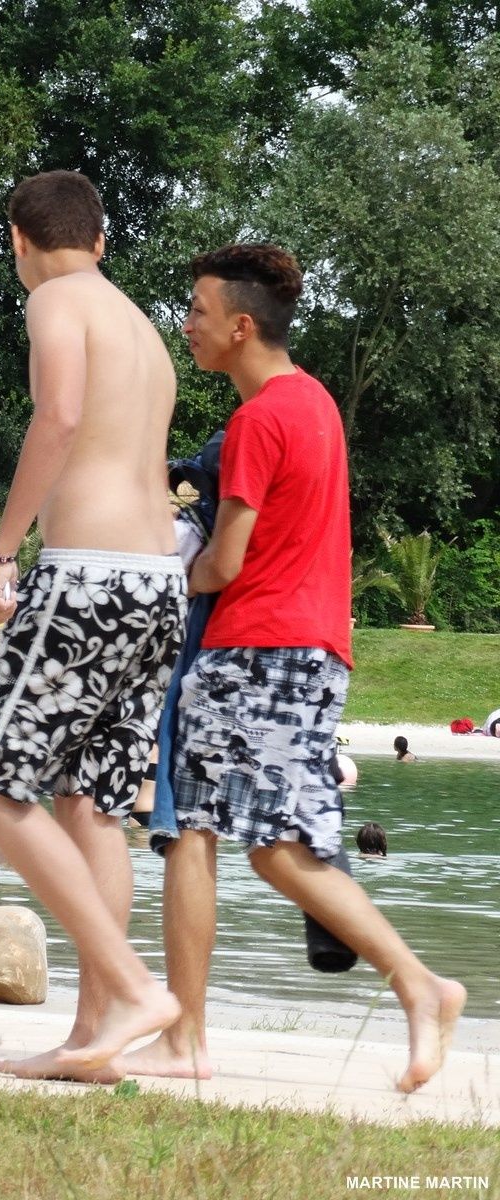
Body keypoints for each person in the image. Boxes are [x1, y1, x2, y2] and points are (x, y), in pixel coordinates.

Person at [124, 243, 463, 1095]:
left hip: (258, 647)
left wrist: (162, 569)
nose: (187, 324)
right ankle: (185, 1034)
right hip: (304, 649)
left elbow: (226, 562)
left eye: (198, 310)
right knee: (199, 833)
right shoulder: (314, 403)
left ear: (241, 326)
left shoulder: (257, 420)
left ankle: (419, 986)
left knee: (265, 848)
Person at [0, 170, 188, 1082]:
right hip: (157, 582)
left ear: (20, 241)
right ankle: (94, 1039)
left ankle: (132, 988)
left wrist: (2, 551)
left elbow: (55, 418)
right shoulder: (145, 328)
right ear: (101, 238)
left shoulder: (57, 302)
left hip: (87, 577)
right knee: (93, 807)